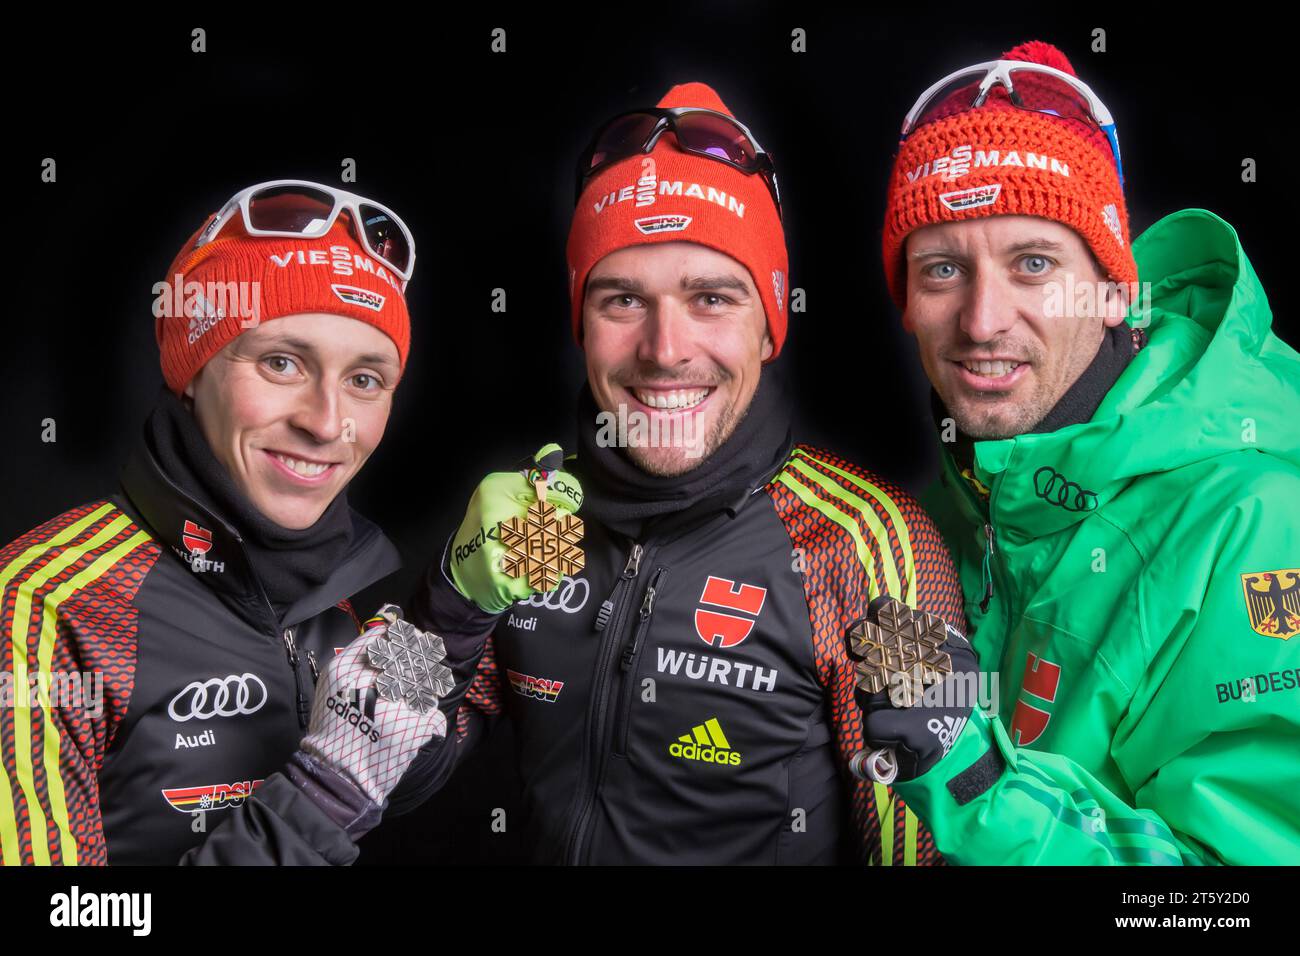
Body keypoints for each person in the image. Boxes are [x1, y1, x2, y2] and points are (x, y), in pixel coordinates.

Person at [398, 83, 966, 864]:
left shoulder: (862, 540)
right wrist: (448, 603)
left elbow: (923, 848)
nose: (665, 349)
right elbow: (392, 778)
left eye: (710, 298)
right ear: (580, 323)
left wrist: (958, 724)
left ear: (769, 324)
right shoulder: (533, 517)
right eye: (623, 300)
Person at [850, 40, 1300, 864]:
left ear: (1114, 288)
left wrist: (973, 779)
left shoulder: (1259, 529)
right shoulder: (950, 505)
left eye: (1033, 264)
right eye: (944, 269)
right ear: (906, 303)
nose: (983, 320)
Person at [0, 181, 467, 864]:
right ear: (192, 368)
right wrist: (318, 801)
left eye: (365, 380)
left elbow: (392, 786)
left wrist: (460, 609)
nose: (324, 421)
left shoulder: (325, 600)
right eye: (281, 362)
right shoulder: (40, 609)